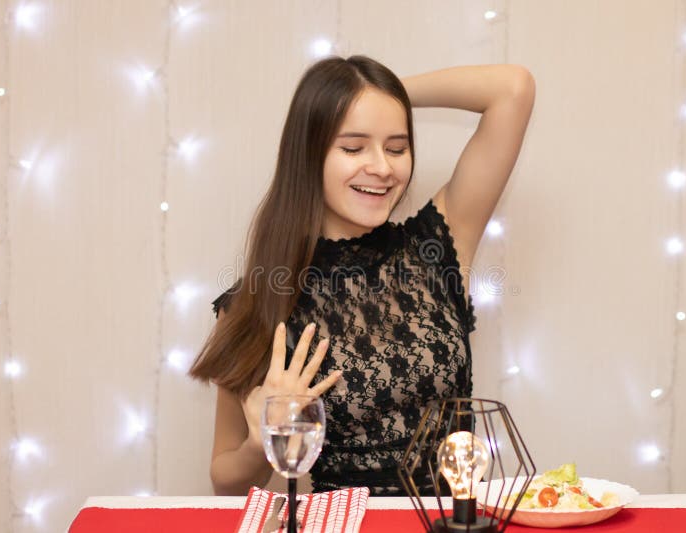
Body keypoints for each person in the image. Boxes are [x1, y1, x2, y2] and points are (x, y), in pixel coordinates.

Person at [188, 55, 535, 496]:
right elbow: (227, 484)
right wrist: (262, 441)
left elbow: (513, 88)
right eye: (353, 148)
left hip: (456, 524)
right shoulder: (259, 299)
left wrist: (376, 95)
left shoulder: (437, 247)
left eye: (396, 147)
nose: (383, 168)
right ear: (309, 152)